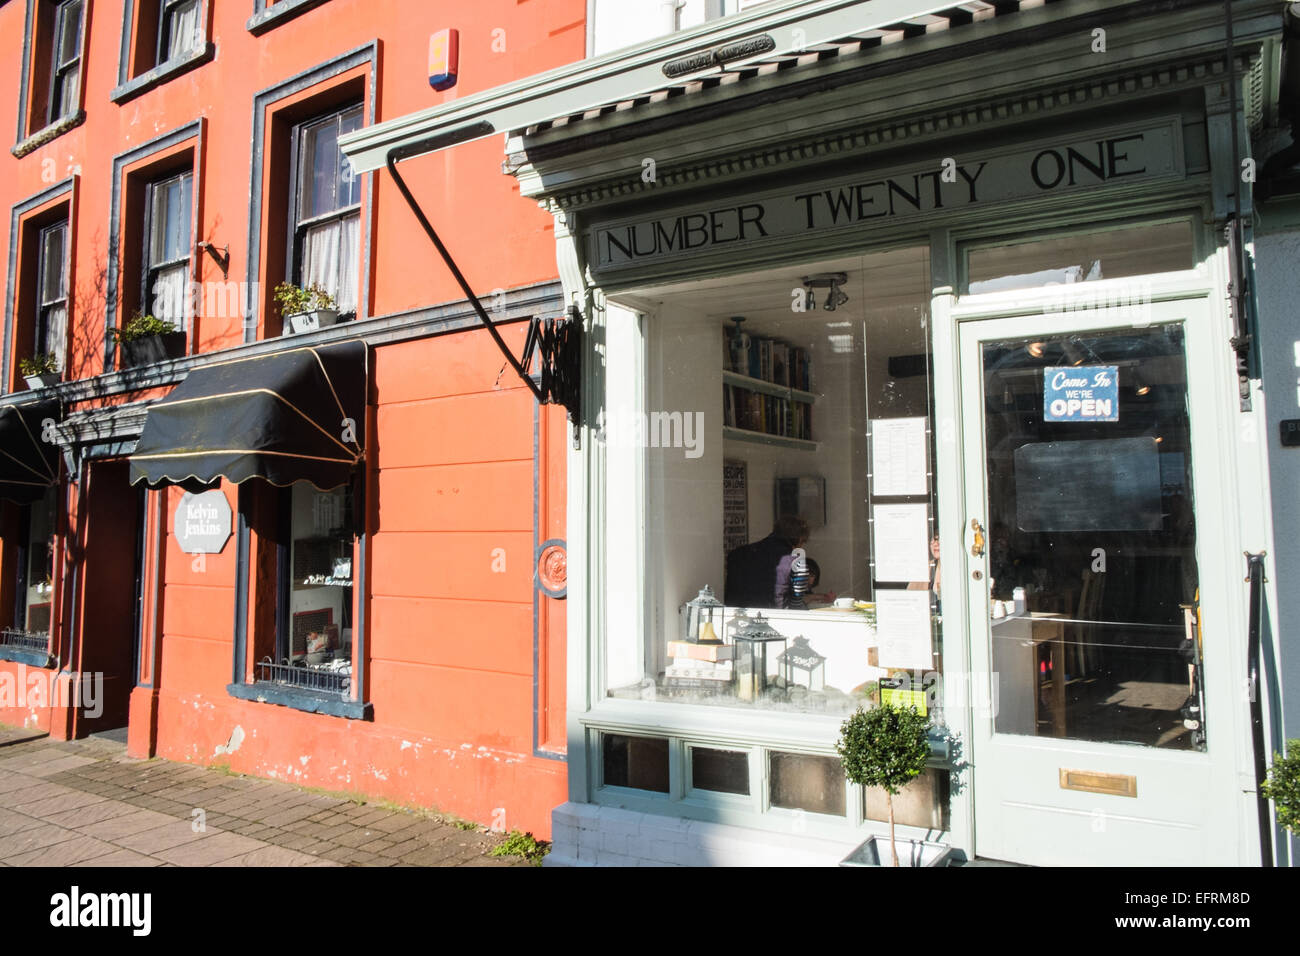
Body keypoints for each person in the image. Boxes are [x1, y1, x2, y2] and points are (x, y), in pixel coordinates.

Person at [725, 514, 808, 609]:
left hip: (737, 615)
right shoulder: (795, 561)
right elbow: (796, 602)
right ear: (800, 539)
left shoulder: (738, 553)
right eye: (803, 542)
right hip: (773, 616)